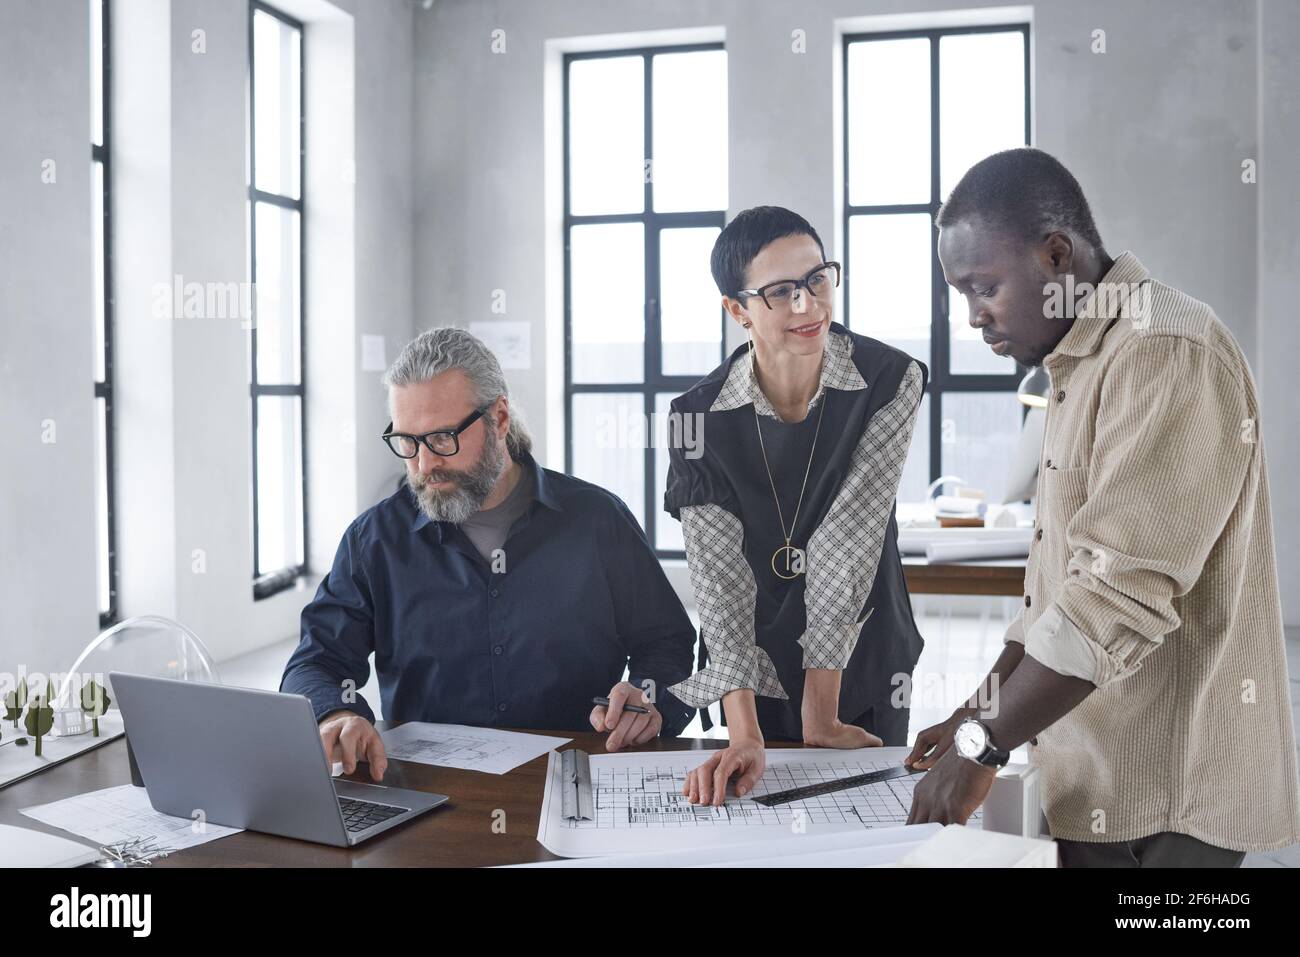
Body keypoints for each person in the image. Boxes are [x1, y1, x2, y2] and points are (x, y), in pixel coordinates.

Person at [906, 147, 1300, 866]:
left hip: (1175, 798)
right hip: (1095, 775)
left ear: (1056, 255)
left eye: (982, 286)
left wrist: (981, 745)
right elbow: (1061, 595)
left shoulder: (1163, 351)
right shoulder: (1078, 362)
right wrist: (972, 714)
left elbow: (1116, 594)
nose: (973, 317)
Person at [281, 327, 695, 781]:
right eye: (407, 442)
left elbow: (667, 643)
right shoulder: (374, 539)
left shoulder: (598, 519)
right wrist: (335, 713)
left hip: (577, 781)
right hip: (425, 793)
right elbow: (317, 661)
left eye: (442, 438)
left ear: (499, 418)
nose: (424, 465)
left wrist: (649, 699)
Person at [664, 206, 928, 806]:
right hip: (749, 665)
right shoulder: (691, 418)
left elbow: (849, 540)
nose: (807, 306)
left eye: (817, 279)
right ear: (738, 310)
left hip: (860, 649)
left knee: (860, 826)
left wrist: (821, 713)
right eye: (780, 292)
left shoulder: (891, 380)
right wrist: (744, 730)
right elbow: (717, 576)